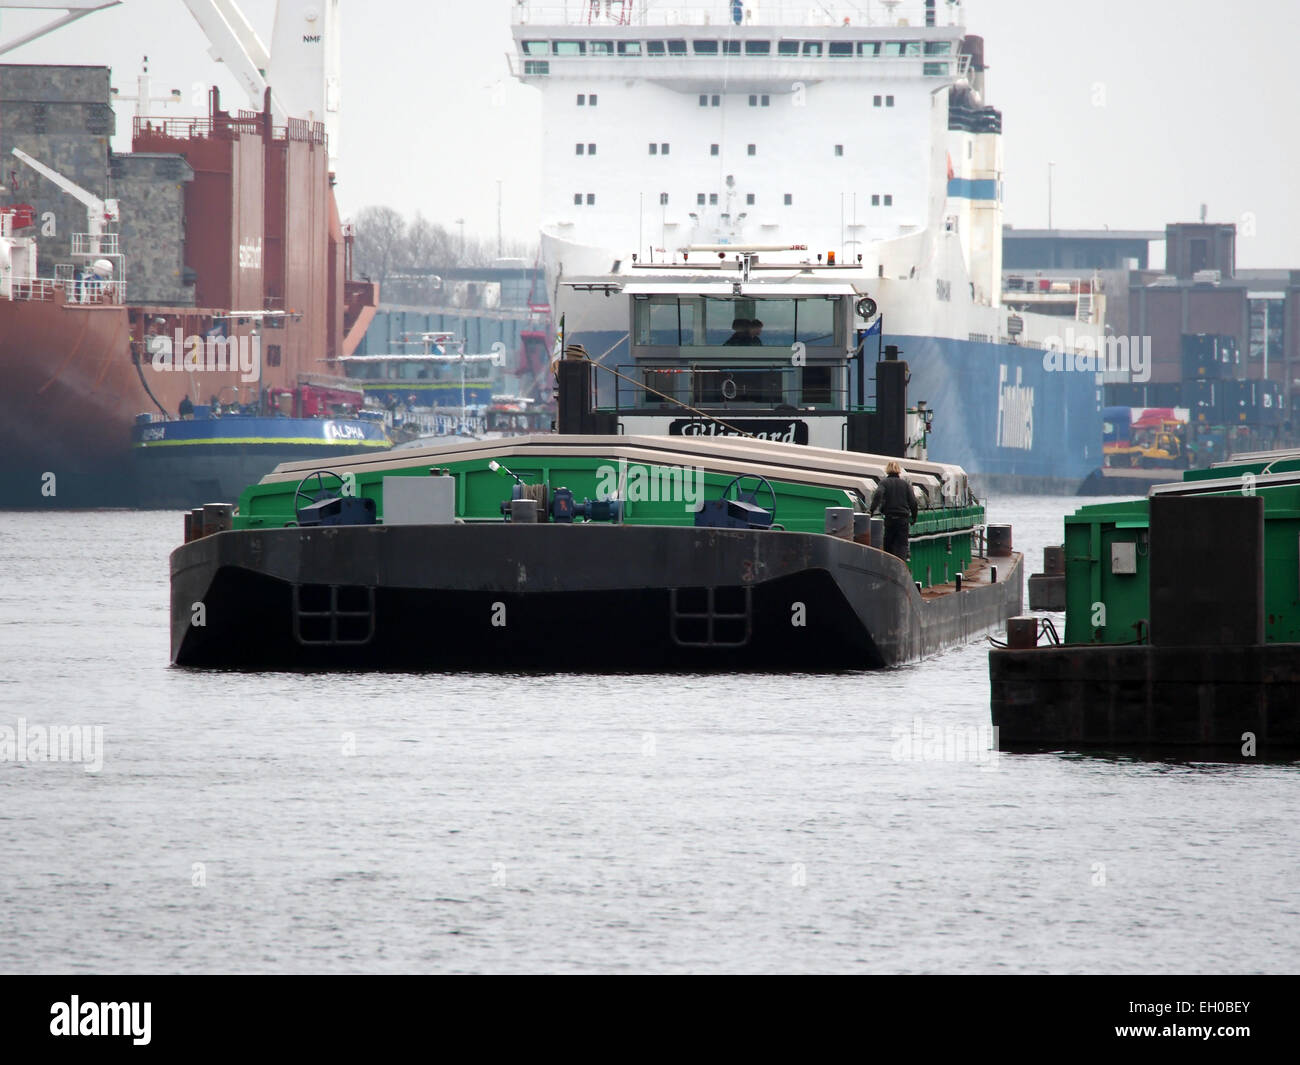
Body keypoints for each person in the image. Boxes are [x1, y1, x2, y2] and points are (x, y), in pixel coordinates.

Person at [869, 460, 918, 561]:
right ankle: (900, 565)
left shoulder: (884, 483)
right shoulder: (905, 484)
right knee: (902, 545)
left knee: (888, 544)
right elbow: (913, 502)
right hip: (903, 520)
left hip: (890, 519)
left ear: (887, 470)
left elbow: (878, 495)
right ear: (898, 471)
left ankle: (888, 566)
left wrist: (871, 510)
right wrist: (914, 517)